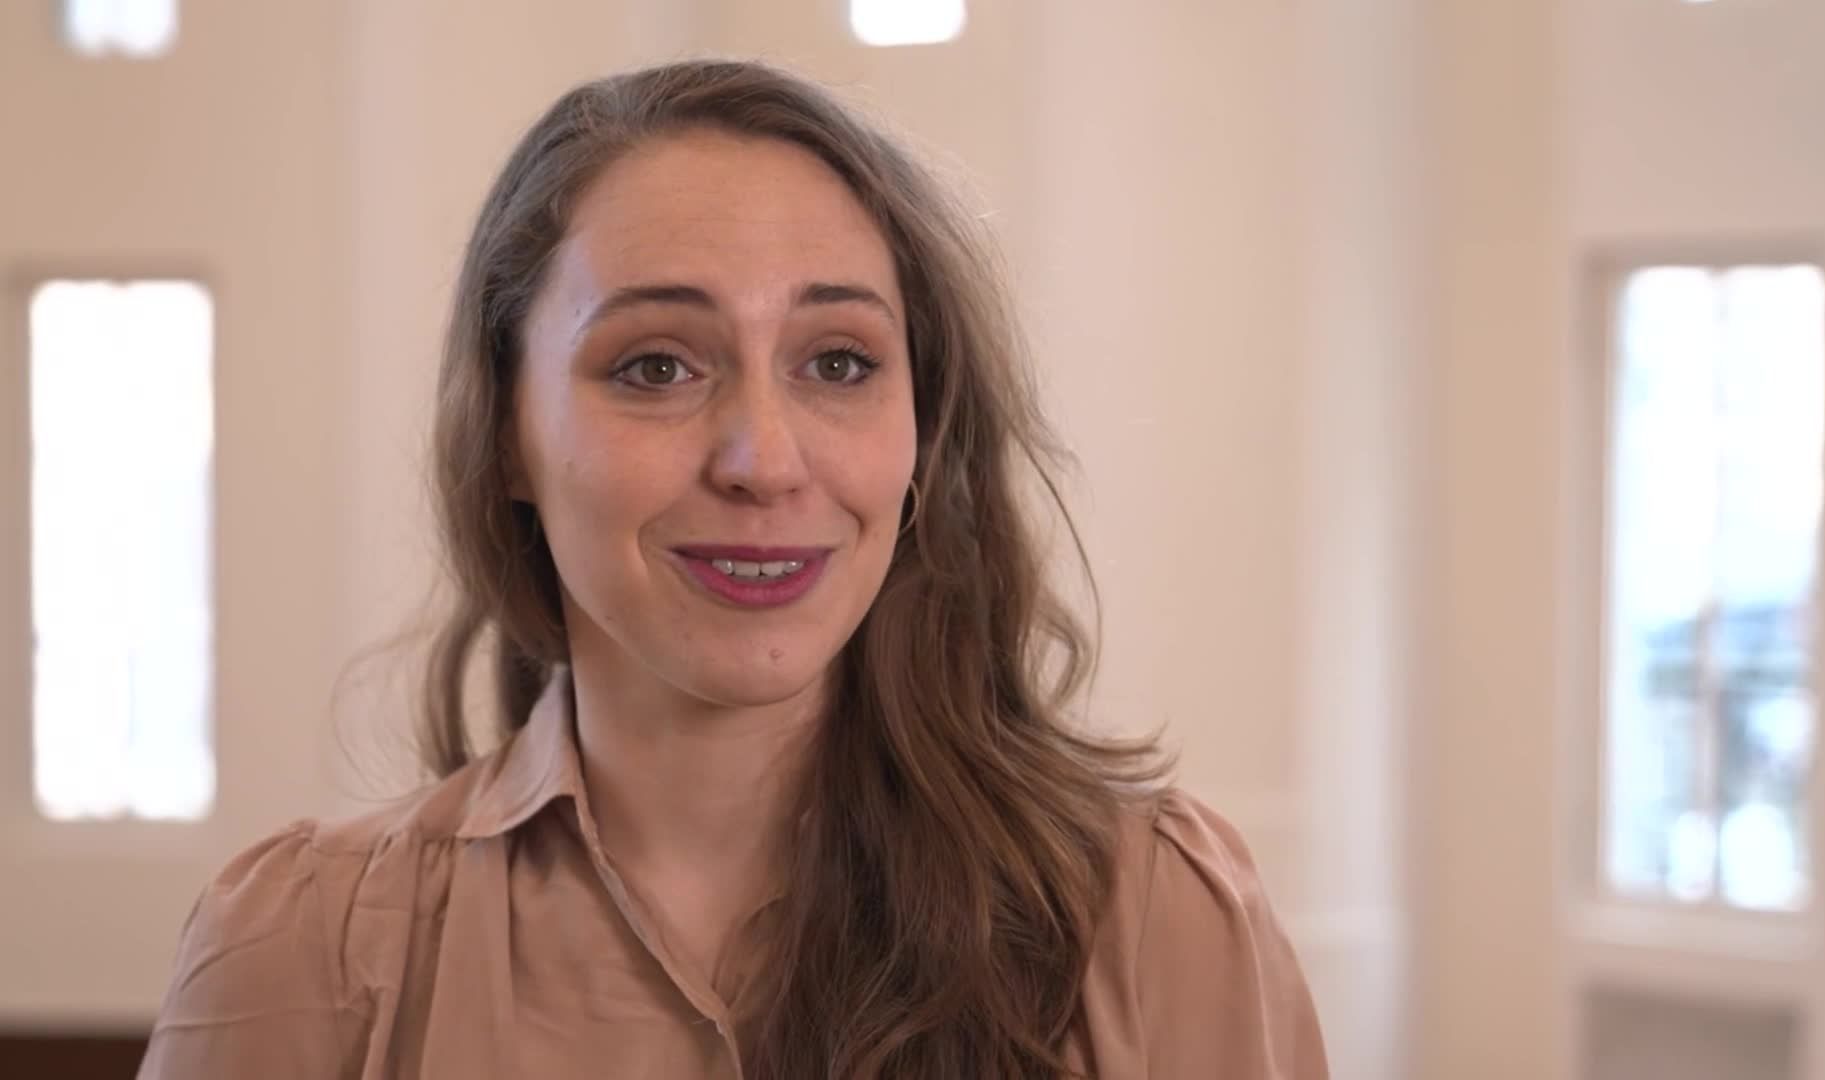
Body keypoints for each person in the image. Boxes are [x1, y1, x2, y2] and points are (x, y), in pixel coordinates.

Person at [138, 59, 1327, 1079]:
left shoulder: (1153, 916)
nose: (764, 460)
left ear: (923, 435)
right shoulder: (302, 955)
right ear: (503, 433)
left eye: (839, 363)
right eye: (657, 366)